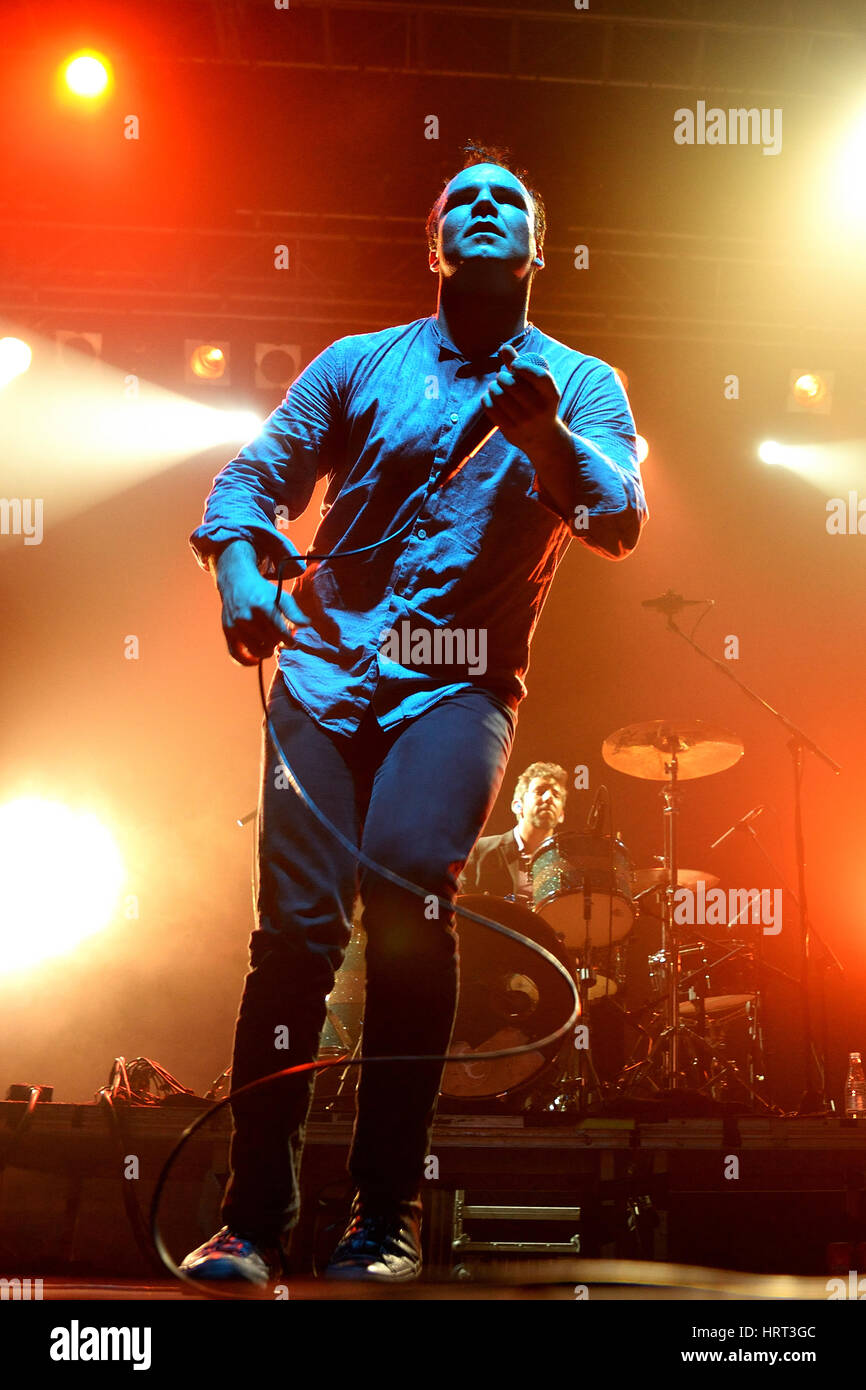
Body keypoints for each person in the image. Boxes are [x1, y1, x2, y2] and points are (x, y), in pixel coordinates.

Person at [180, 141, 648, 1286]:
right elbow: (249, 479)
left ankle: (382, 1214)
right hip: (322, 674)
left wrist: (540, 433)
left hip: (458, 680)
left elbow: (618, 515)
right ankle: (251, 1218)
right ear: (433, 244)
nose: (486, 210)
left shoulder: (581, 383)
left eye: (510, 203)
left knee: (403, 896)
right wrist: (240, 571)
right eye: (463, 201)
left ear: (535, 248)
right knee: (290, 944)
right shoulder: (356, 363)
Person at [459, 761, 569, 906]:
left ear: (561, 815)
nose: (548, 797)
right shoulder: (479, 850)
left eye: (556, 794)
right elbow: (461, 908)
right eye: (540, 791)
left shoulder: (567, 865)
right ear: (518, 806)